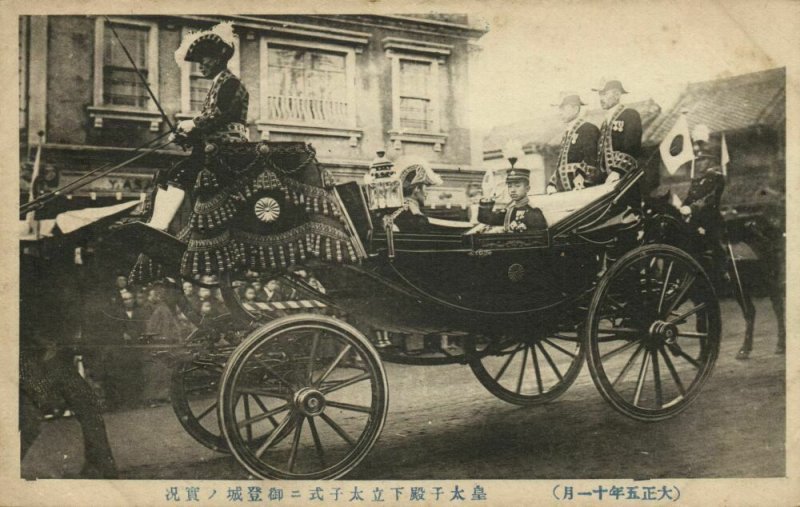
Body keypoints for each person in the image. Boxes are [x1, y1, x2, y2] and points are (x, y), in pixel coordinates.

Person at [121, 22, 248, 231]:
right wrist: (185, 135)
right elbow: (211, 121)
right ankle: (158, 224)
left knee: (180, 174)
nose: (200, 65)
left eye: (203, 59)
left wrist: (191, 124)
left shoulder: (230, 83)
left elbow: (219, 115)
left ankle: (160, 225)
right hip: (213, 146)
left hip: (227, 148)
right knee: (174, 173)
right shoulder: (219, 83)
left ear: (217, 58)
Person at [546, 93, 601, 193]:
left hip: (582, 189)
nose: (559, 113)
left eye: (563, 109)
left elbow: (591, 158)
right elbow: (561, 164)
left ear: (575, 109)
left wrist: (582, 177)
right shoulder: (567, 133)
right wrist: (552, 183)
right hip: (565, 191)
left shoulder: (588, 129)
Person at [593, 79, 642, 183]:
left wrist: (617, 171)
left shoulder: (630, 115)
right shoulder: (605, 123)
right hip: (607, 181)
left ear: (617, 95)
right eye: (600, 95)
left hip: (625, 178)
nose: (601, 99)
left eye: (604, 94)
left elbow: (632, 146)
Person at [478, 168, 547, 233]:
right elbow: (484, 218)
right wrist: (487, 195)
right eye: (510, 186)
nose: (513, 190)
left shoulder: (534, 213)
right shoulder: (509, 211)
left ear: (527, 189)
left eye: (517, 186)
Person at [386, 160, 443, 232]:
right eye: (426, 189)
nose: (426, 194)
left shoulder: (393, 213)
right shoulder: (418, 220)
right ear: (417, 189)